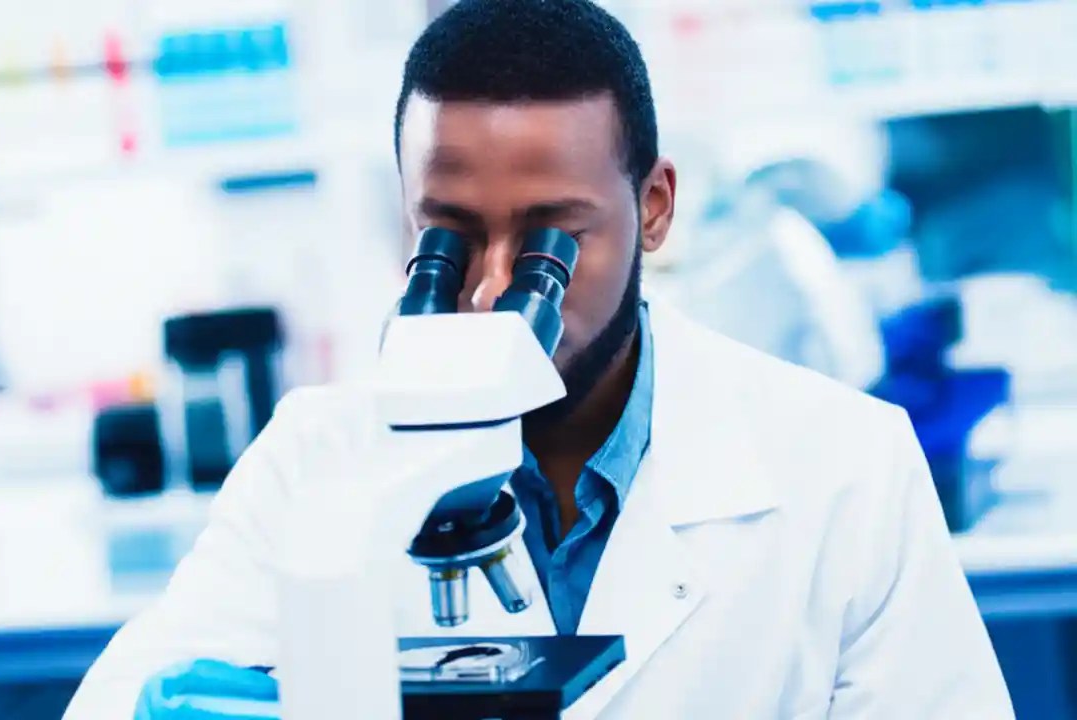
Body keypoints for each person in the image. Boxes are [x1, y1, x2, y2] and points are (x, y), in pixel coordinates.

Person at [66, 1, 1012, 717]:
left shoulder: (847, 465)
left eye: (551, 245)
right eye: (448, 239)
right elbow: (124, 697)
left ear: (653, 206)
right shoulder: (315, 457)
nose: (486, 293)